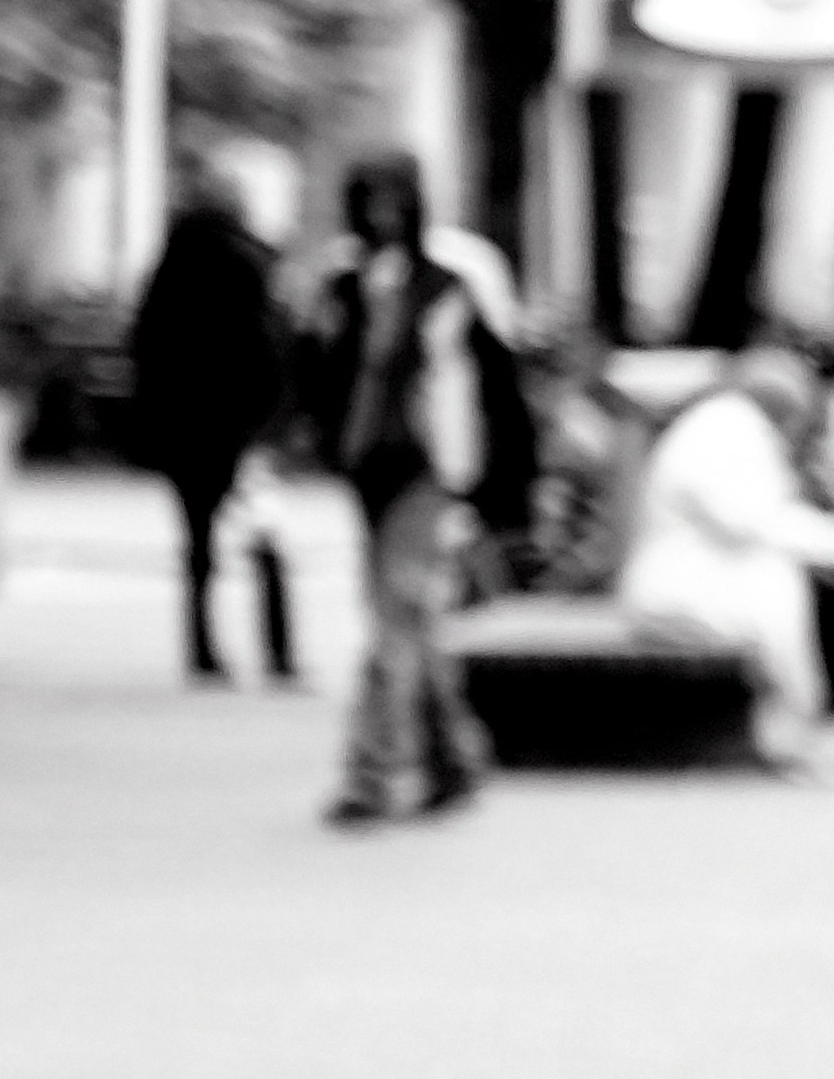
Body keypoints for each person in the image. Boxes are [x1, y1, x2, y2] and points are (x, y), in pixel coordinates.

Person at [287, 154, 530, 829]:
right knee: (414, 616)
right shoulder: (343, 281)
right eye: (371, 200)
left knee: (392, 612)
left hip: (428, 466)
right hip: (367, 466)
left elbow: (498, 389)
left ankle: (374, 769)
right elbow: (314, 371)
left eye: (395, 201)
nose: (382, 214)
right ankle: (454, 758)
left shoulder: (454, 282)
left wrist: (499, 490)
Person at [620, 323, 834, 763]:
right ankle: (812, 727)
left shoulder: (731, 426)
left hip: (712, 571)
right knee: (808, 600)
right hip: (686, 584)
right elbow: (751, 520)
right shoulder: (727, 433)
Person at [123, 174, 289, 685]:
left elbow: (144, 346)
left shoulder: (169, 267)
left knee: (197, 542)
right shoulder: (246, 265)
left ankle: (201, 647)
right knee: (265, 538)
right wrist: (270, 418)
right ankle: (278, 651)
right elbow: (267, 347)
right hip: (235, 426)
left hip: (181, 427)